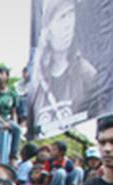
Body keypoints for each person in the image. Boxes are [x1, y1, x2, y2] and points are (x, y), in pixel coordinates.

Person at [30, 0, 97, 134]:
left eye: (71, 14)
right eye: (62, 17)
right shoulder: (37, 80)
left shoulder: (86, 73)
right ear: (47, 30)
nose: (68, 25)